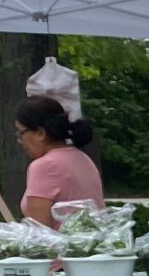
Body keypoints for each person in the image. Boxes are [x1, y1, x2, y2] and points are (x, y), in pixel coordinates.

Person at [14, 95, 104, 227]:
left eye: (20, 133)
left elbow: (38, 234)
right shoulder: (83, 158)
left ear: (40, 133)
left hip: (63, 248)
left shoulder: (44, 166)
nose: (19, 141)